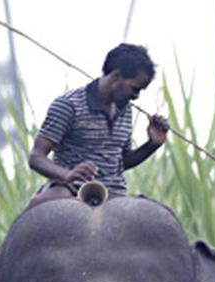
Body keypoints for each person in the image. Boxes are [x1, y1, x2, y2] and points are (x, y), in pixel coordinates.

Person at [27, 43, 171, 209]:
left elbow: (121, 162)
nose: (136, 96)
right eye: (135, 89)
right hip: (70, 189)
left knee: (167, 212)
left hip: (114, 193)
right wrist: (68, 175)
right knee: (39, 204)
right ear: (116, 77)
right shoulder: (69, 105)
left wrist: (152, 145)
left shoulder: (125, 110)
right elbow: (36, 157)